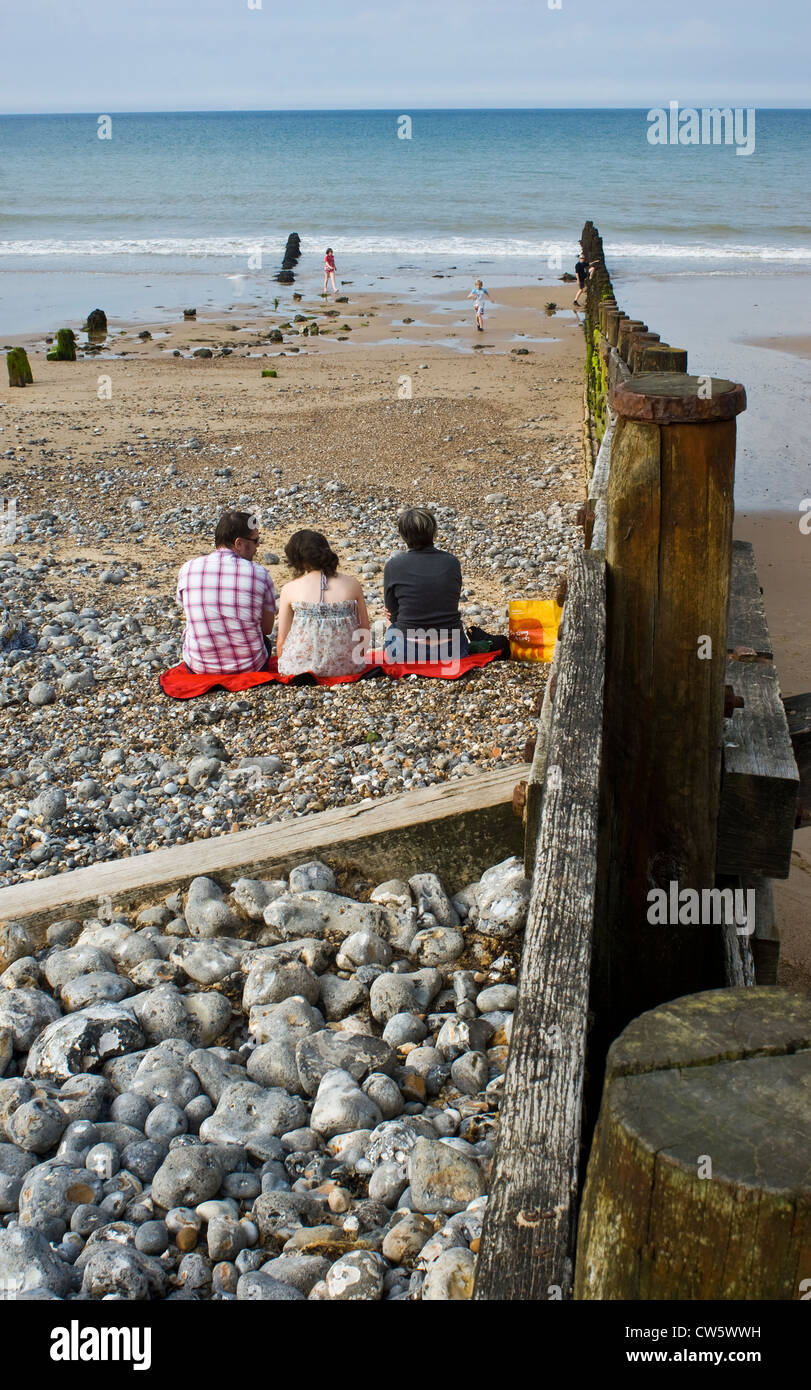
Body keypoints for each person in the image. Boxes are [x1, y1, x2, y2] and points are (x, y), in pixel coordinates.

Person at [176, 510, 277, 673]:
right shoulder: (260, 574)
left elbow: (188, 611)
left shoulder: (188, 569)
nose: (258, 546)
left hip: (199, 666)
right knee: (263, 641)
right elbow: (267, 629)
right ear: (239, 544)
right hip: (250, 666)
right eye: (256, 540)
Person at [276, 530, 370, 678]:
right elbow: (364, 628)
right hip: (347, 667)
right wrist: (358, 661)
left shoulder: (289, 589)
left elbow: (282, 638)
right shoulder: (353, 584)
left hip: (299, 669)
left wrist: (282, 664)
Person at [383, 507, 469, 665]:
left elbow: (393, 613)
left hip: (407, 652)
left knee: (389, 619)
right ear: (433, 531)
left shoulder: (393, 565)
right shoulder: (452, 562)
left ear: (403, 534)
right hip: (453, 650)